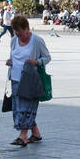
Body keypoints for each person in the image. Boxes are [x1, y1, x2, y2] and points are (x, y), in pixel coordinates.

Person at [5, 15, 51, 146]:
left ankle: (23, 136)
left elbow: (47, 57)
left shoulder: (37, 40)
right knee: (17, 108)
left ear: (27, 28)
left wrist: (36, 62)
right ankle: (35, 133)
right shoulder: (14, 40)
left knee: (26, 108)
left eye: (21, 32)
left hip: (29, 80)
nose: (19, 36)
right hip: (15, 78)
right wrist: (10, 61)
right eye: (16, 33)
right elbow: (14, 56)